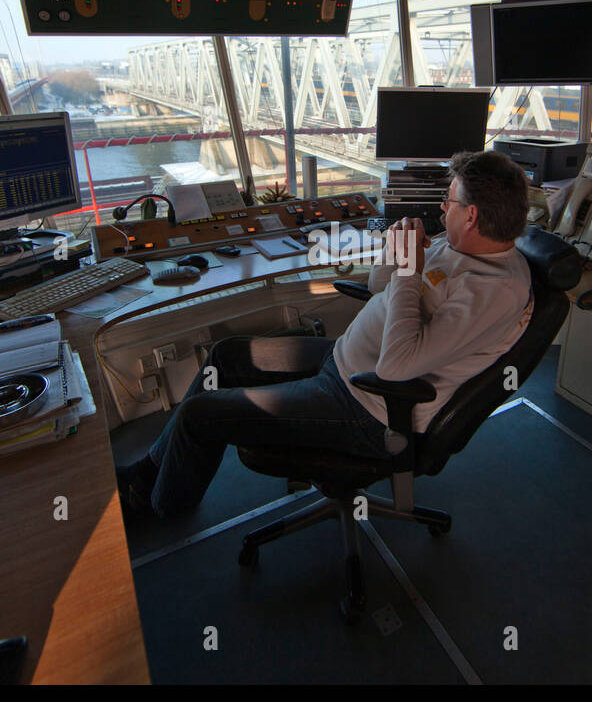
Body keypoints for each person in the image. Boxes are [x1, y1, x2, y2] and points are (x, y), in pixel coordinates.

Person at [119, 149, 534, 519]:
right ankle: (149, 471)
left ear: (472, 215)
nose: (442, 209)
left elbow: (396, 369)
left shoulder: (494, 291)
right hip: (342, 360)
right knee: (227, 357)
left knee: (197, 417)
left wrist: (409, 268)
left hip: (369, 408)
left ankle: (159, 507)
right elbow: (378, 287)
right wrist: (396, 252)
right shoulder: (463, 245)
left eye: (449, 201)